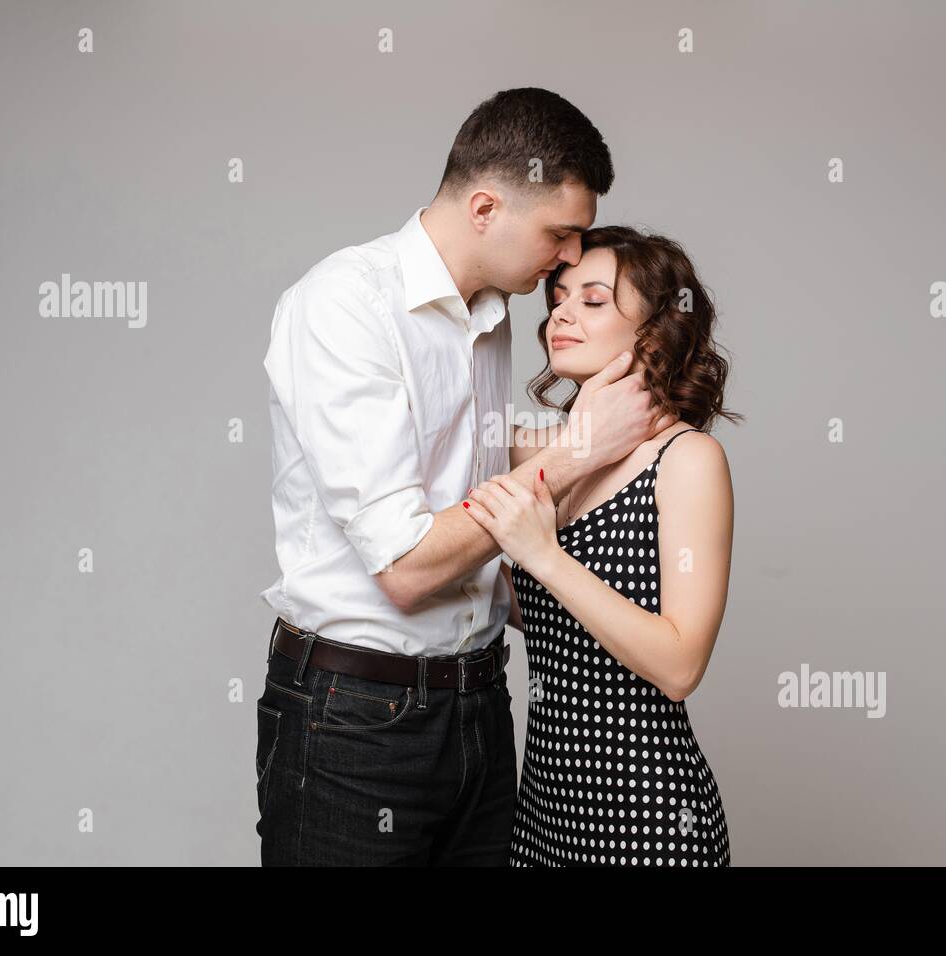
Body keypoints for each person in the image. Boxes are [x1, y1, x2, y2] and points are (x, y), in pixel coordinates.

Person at [255, 88, 678, 865]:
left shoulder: (491, 310)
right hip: (356, 720)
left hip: (482, 707)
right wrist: (579, 449)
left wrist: (626, 439)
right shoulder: (344, 306)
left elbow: (464, 456)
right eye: (561, 234)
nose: (570, 257)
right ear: (485, 208)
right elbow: (409, 570)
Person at [460, 225, 742, 866]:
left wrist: (542, 556)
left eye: (592, 300)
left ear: (654, 331)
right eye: (558, 297)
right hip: (541, 815)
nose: (560, 312)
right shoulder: (551, 453)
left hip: (648, 817)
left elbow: (679, 667)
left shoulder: (686, 459)